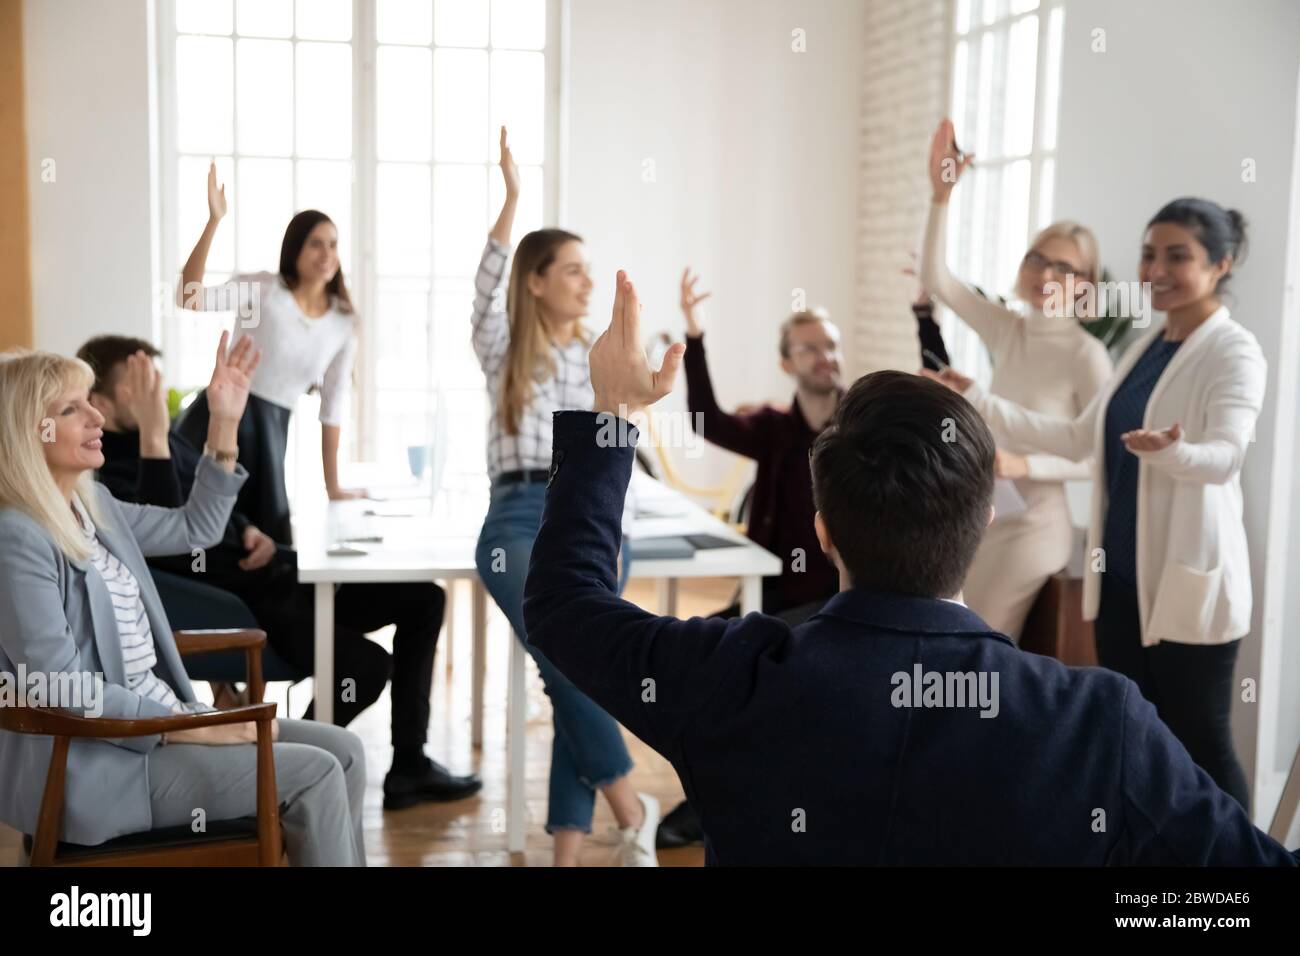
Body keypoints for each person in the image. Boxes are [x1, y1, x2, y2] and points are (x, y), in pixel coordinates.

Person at [519, 268, 1296, 865]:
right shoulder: (1097, 722)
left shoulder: (727, 677)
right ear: (986, 519)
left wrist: (611, 417)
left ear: (823, 533)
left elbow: (561, 602)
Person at [923, 196, 1265, 809]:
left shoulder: (1233, 350)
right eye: (1148, 253)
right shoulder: (1148, 348)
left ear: (1222, 264)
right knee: (1140, 737)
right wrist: (977, 397)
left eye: (1177, 256)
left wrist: (1170, 453)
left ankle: (1236, 887)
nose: (1156, 269)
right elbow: (1080, 436)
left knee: (1203, 748)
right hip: (1123, 583)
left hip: (1184, 585)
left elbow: (1226, 457)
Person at [0, 338, 367, 865]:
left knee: (346, 751)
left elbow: (197, 529)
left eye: (90, 400)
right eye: (71, 408)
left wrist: (223, 423)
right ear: (28, 433)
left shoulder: (90, 504)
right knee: (317, 771)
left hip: (164, 723)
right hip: (107, 761)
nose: (95, 415)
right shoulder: (18, 536)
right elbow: (58, 686)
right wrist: (186, 730)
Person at [75, 334, 482, 809]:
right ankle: (286, 770)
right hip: (247, 604)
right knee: (366, 668)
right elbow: (170, 534)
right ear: (97, 401)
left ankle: (409, 764)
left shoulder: (166, 439)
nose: (150, 394)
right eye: (136, 385)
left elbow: (212, 500)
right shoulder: (106, 470)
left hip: (279, 576)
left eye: (153, 380)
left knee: (424, 599)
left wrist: (250, 530)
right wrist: (152, 433)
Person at [471, 128, 659, 866]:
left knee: (568, 660)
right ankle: (626, 800)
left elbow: (619, 443)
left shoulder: (600, 355)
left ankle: (568, 852)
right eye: (573, 270)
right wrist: (512, 199)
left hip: (593, 519)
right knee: (570, 650)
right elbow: (485, 289)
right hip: (516, 514)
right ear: (536, 281)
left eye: (589, 270)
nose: (587, 283)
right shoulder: (504, 346)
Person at [656, 273, 844, 849]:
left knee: (739, 673)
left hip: (832, 604)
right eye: (809, 347)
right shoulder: (771, 429)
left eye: (830, 345)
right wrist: (696, 338)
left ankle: (723, 801)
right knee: (686, 660)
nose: (824, 356)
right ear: (788, 364)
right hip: (769, 594)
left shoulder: (861, 429)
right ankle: (713, 793)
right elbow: (707, 419)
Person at [919, 118, 1112, 641]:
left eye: (1064, 268)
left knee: (978, 644)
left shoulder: (1087, 356)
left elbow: (1100, 455)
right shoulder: (1010, 329)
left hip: (1034, 526)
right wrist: (941, 196)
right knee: (948, 632)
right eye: (1038, 259)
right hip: (983, 513)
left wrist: (1026, 462)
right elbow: (938, 281)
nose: (1046, 274)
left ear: (1084, 285)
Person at [175, 162, 364, 545]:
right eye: (315, 243)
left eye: (333, 244)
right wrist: (213, 221)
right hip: (217, 419)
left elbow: (333, 405)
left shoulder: (344, 322)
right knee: (209, 527)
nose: (326, 253)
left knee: (269, 541)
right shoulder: (263, 290)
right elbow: (188, 298)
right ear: (294, 248)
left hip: (272, 432)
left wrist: (334, 486)